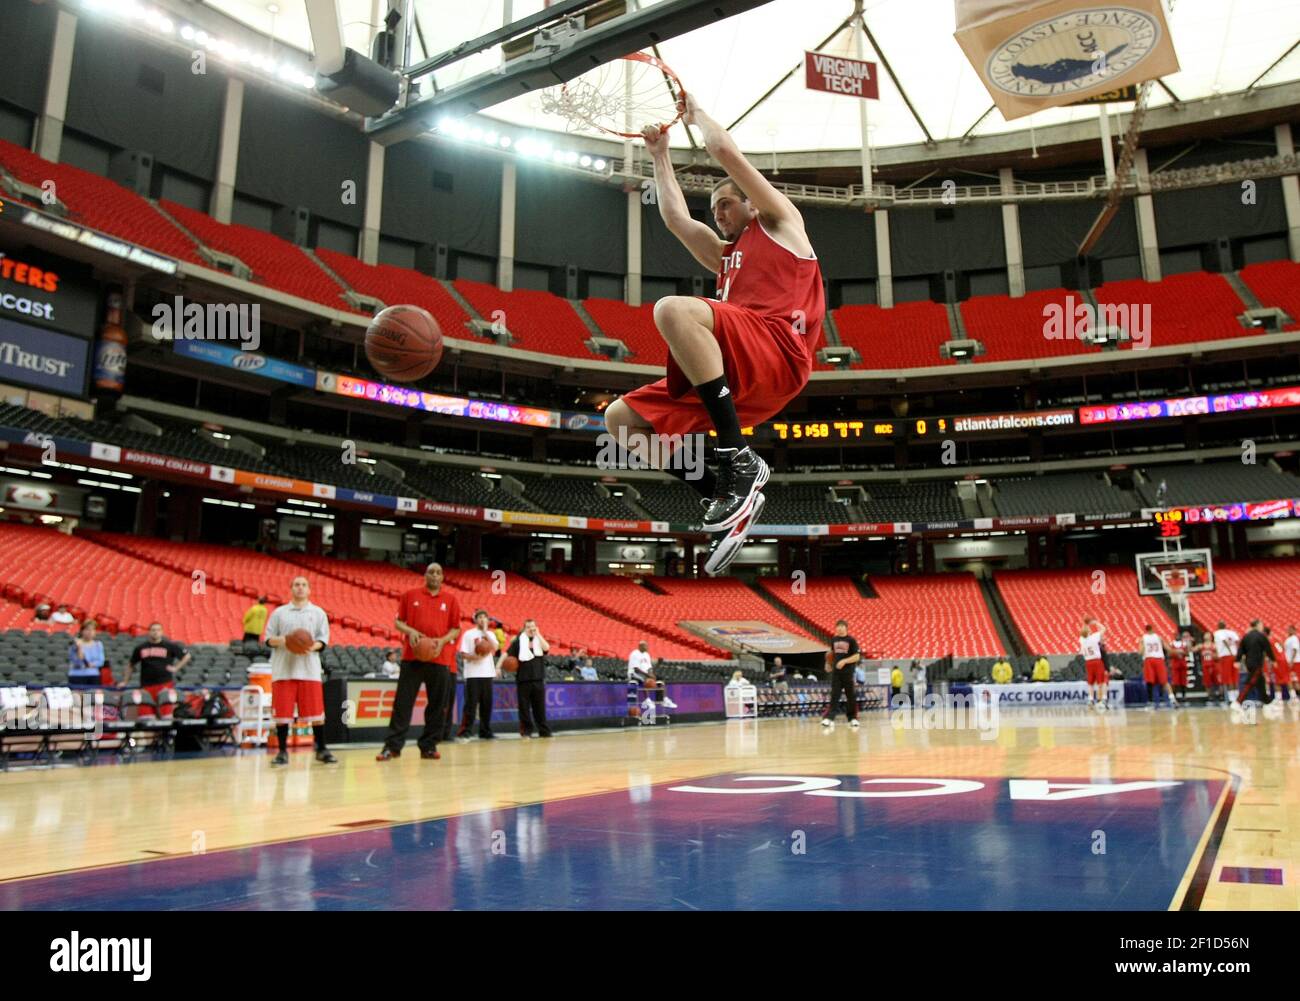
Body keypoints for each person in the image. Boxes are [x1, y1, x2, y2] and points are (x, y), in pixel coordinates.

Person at [601, 93, 824, 577]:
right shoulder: (726, 259)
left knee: (673, 310)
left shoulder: (783, 224)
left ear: (750, 202)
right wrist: (660, 153)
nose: (719, 213)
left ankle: (734, 455)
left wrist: (696, 115)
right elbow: (676, 219)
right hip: (744, 374)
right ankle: (723, 496)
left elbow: (727, 154)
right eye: (715, 207)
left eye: (726, 203)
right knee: (621, 422)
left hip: (779, 349)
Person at [379, 562, 461, 762]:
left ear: (442, 577)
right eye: (431, 572)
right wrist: (412, 632)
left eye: (438, 572)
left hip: (439, 659)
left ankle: (429, 746)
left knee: (437, 706)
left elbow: (456, 628)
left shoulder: (451, 600)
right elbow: (398, 622)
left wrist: (441, 642)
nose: (434, 575)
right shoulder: (410, 595)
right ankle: (393, 747)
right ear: (425, 575)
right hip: (411, 657)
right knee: (403, 703)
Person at [264, 577, 335, 765]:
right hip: (283, 669)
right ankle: (282, 752)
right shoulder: (279, 613)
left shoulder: (318, 613)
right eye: (296, 585)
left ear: (309, 590)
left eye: (304, 585)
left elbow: (323, 641)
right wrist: (287, 640)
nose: (300, 588)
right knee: (282, 715)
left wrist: (309, 646)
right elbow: (268, 639)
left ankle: (321, 749)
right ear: (291, 589)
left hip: (309, 670)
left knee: (317, 714)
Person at [121, 622, 191, 715]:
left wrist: (176, 668)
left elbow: (187, 656)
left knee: (166, 716)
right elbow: (130, 664)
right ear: (149, 632)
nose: (155, 632)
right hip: (146, 686)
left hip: (164, 684)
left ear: (162, 632)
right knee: (146, 717)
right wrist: (125, 681)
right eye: (153, 630)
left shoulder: (169, 646)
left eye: (158, 630)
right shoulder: (141, 648)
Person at [456, 610, 500, 742]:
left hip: (487, 674)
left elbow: (495, 648)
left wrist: (486, 632)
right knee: (470, 705)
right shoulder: (468, 634)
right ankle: (465, 732)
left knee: (487, 705)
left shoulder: (490, 634)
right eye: (480, 617)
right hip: (473, 674)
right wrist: (474, 657)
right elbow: (463, 654)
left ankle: (485, 731)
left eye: (485, 618)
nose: (482, 620)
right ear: (475, 620)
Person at [507, 619, 552, 738]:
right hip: (523, 679)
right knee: (524, 708)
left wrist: (538, 634)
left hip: (538, 678)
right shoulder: (518, 642)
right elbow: (508, 655)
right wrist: (498, 667)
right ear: (524, 629)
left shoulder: (539, 640)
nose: (531, 629)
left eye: (533, 626)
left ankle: (544, 731)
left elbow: (547, 648)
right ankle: (526, 731)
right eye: (528, 627)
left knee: (540, 708)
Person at [821, 620, 860, 729]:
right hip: (836, 673)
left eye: (842, 626)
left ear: (846, 628)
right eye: (837, 626)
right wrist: (828, 663)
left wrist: (844, 661)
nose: (839, 628)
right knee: (834, 695)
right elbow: (832, 654)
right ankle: (830, 718)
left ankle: (853, 718)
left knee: (850, 696)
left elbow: (857, 657)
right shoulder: (834, 639)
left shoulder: (851, 640)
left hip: (848, 673)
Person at [1235, 620, 1275, 720]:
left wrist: (1237, 660)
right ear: (1257, 625)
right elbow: (1268, 648)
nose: (1262, 626)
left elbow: (1241, 649)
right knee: (1251, 682)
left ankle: (1267, 702)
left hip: (1249, 663)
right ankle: (1238, 702)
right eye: (1261, 625)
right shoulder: (1261, 636)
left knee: (1260, 682)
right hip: (1256, 663)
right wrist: (1273, 660)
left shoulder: (1246, 636)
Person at [1140, 624, 1177, 710]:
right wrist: (1177, 652)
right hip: (1159, 659)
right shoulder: (1159, 637)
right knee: (1164, 681)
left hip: (1149, 659)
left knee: (1150, 682)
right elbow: (1169, 649)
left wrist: (1144, 646)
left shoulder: (1143, 638)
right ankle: (1172, 699)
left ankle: (1151, 702)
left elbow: (1140, 652)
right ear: (1153, 629)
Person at [1212, 619, 1241, 707]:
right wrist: (1237, 653)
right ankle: (1237, 698)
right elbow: (1238, 641)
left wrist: (1230, 651)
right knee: (1235, 677)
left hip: (1226, 656)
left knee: (1228, 678)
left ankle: (1232, 700)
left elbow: (1224, 641)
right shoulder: (1232, 632)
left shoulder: (1217, 633)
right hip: (1234, 656)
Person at [68, 621, 106, 687]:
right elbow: (77, 661)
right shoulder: (75, 645)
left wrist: (91, 664)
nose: (90, 632)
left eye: (93, 630)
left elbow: (101, 661)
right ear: (82, 631)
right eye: (87, 629)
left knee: (89, 697)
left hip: (93, 676)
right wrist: (79, 648)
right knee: (77, 697)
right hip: (77, 676)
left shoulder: (98, 644)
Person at [1080, 626, 1107, 710]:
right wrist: (1096, 623)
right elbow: (1103, 629)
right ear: (1089, 632)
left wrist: (1085, 626)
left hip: (1088, 662)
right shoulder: (1094, 637)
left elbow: (1082, 633)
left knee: (1090, 683)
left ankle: (1090, 699)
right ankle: (1102, 700)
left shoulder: (1081, 640)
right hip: (1096, 661)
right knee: (1101, 682)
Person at [1168, 630, 1191, 702]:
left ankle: (1184, 695)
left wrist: (1183, 652)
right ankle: (1175, 696)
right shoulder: (1171, 644)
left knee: (1183, 681)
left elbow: (1187, 653)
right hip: (1175, 664)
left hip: (1182, 664)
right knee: (1175, 681)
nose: (1177, 636)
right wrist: (1176, 652)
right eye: (1176, 635)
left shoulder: (1184, 644)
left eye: (1178, 635)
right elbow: (1169, 654)